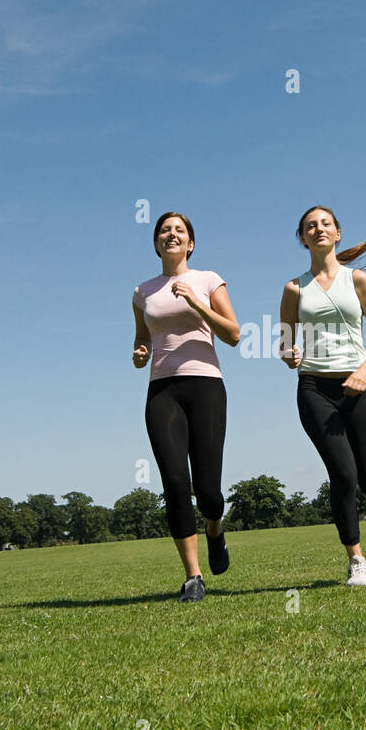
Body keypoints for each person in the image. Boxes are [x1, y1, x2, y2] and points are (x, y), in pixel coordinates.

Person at [278, 205, 366, 587]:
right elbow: (286, 346)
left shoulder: (357, 280)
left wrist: (364, 370)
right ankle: (356, 559)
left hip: (359, 384)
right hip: (315, 388)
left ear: (337, 233)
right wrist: (290, 353)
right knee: (343, 473)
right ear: (303, 238)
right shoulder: (294, 288)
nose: (318, 229)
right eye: (310, 226)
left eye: (325, 223)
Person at [132, 212, 240, 601]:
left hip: (206, 386)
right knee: (176, 483)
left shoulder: (208, 280)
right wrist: (140, 353)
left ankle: (215, 527)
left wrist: (197, 304)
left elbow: (233, 334)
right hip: (162, 391)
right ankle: (193, 577)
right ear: (157, 244)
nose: (171, 234)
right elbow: (142, 340)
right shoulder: (142, 292)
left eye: (179, 230)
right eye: (164, 231)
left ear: (190, 243)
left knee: (208, 491)